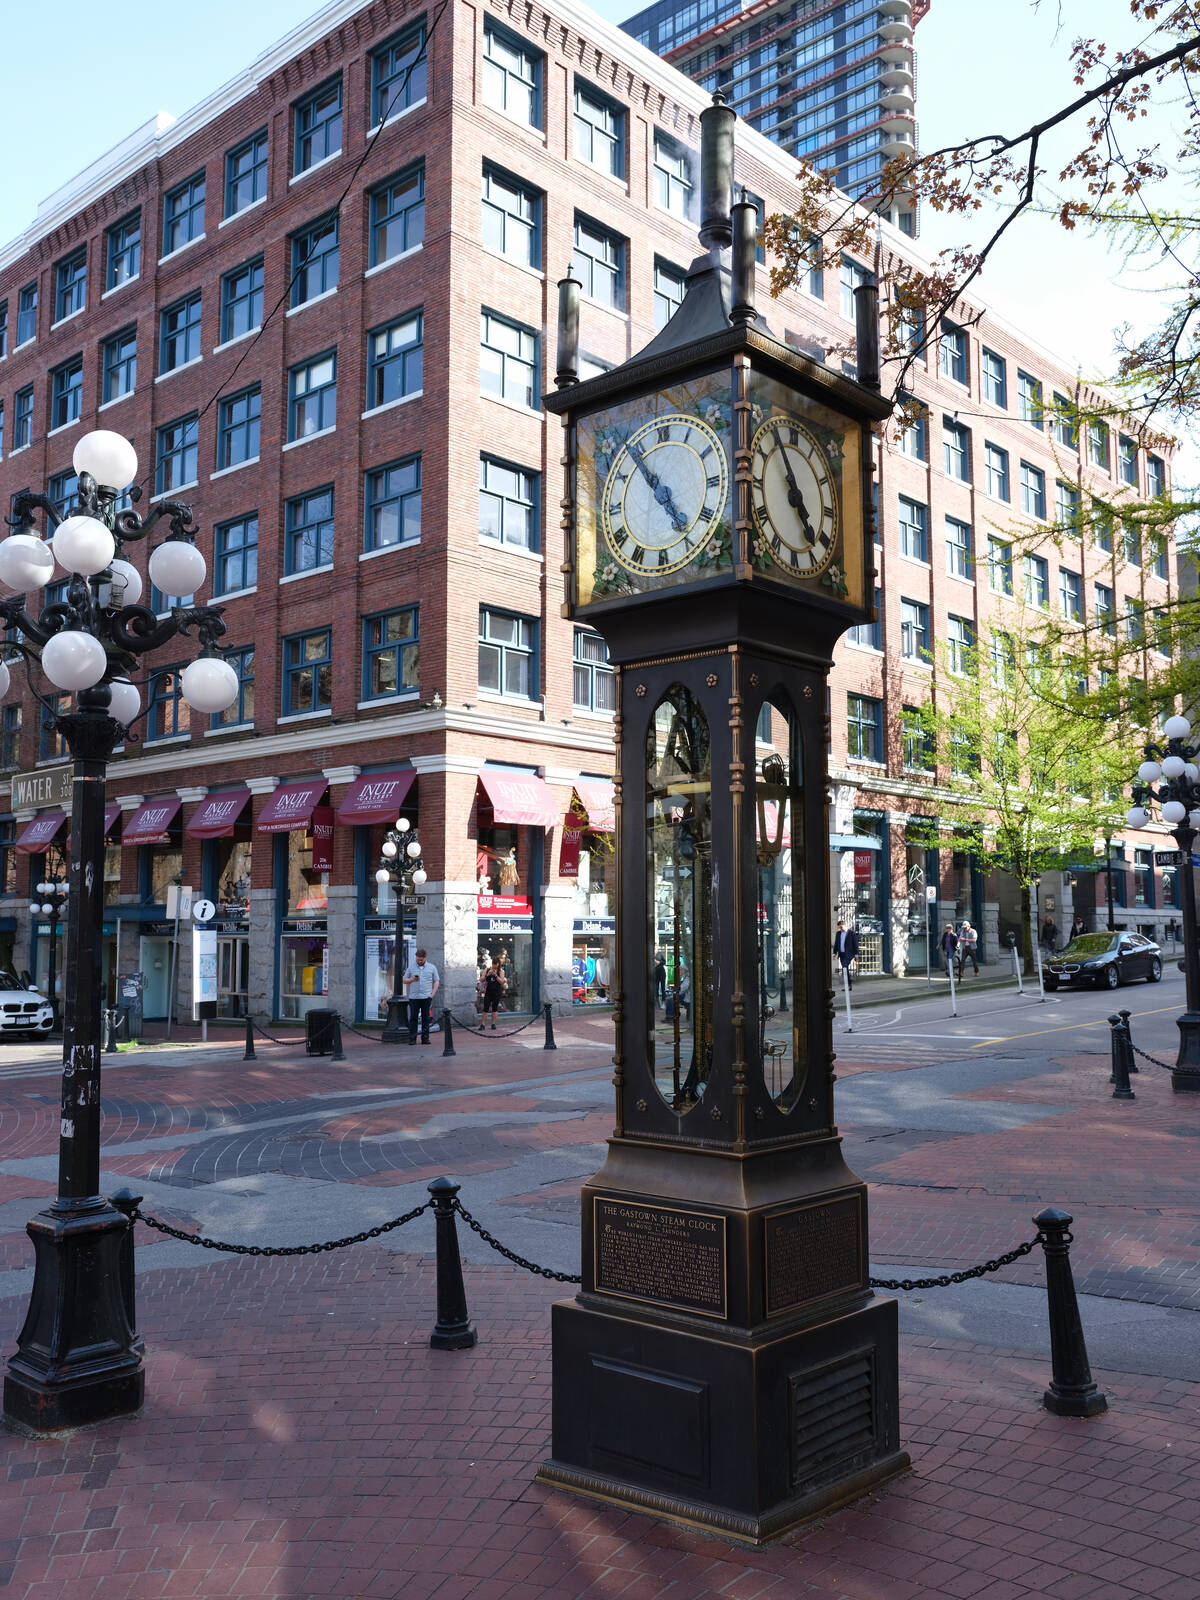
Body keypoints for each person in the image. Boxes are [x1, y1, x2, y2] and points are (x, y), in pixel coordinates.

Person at [402, 947, 440, 1044]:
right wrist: (411, 980)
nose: (419, 961)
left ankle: (425, 1038)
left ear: (425, 958)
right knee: (413, 1018)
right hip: (414, 997)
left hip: (426, 997)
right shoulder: (411, 967)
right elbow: (404, 980)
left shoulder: (432, 967)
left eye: (421, 959)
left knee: (425, 1018)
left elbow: (436, 981)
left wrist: (432, 994)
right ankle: (412, 1039)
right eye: (418, 959)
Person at [479, 960, 506, 1029]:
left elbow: (502, 982)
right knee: (486, 1008)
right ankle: (482, 1024)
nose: (494, 966)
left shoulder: (501, 971)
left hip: (497, 992)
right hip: (488, 991)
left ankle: (493, 1024)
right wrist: (487, 975)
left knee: (494, 1008)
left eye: (495, 964)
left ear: (498, 964)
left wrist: (495, 975)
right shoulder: (487, 969)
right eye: (493, 964)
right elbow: (481, 979)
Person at [832, 921, 859, 988]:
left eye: (841, 927)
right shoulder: (838, 933)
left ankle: (848, 984)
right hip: (841, 954)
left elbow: (855, 945)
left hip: (849, 954)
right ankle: (849, 984)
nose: (840, 929)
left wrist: (856, 955)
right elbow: (836, 944)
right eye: (839, 928)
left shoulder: (852, 933)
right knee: (845, 968)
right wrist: (834, 954)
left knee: (844, 966)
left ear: (844, 925)